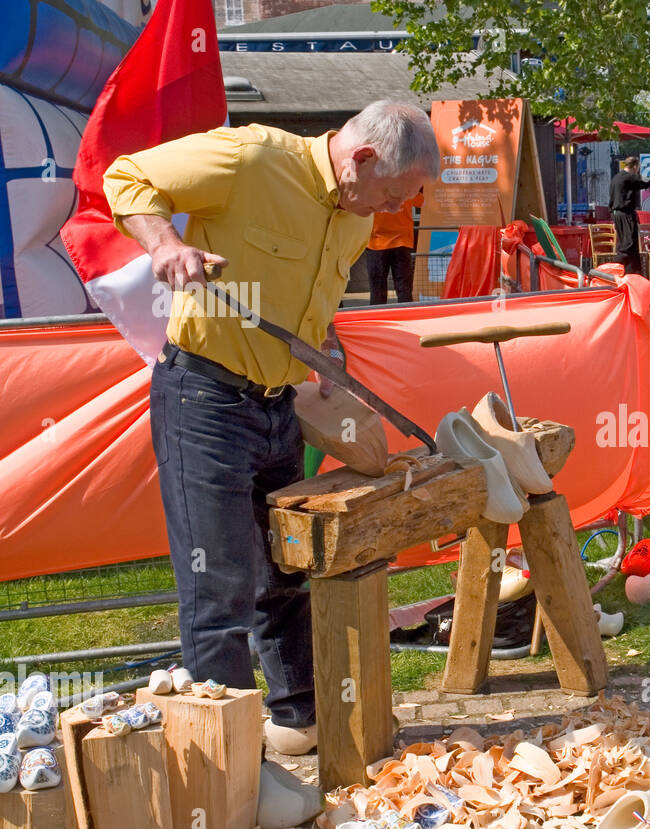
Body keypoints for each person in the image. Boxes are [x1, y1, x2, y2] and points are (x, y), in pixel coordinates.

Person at [103, 101, 438, 761]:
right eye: (391, 196)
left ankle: (298, 725)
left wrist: (329, 359)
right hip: (203, 399)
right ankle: (227, 766)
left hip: (278, 405)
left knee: (283, 572)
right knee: (217, 587)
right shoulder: (251, 158)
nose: (389, 212)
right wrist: (165, 243)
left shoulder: (350, 213)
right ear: (361, 160)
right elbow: (127, 177)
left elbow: (312, 301)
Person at [365, 188, 422, 304]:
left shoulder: (372, 187)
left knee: (377, 291)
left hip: (376, 244)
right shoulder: (407, 187)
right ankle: (406, 318)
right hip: (402, 243)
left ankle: (378, 319)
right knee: (404, 290)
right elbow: (421, 201)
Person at [610, 156, 650, 276]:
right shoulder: (630, 177)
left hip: (617, 214)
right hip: (626, 214)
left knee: (625, 243)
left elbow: (612, 198)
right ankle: (617, 268)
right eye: (637, 167)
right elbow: (646, 182)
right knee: (629, 244)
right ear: (635, 166)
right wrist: (644, 173)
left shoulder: (616, 178)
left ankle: (632, 272)